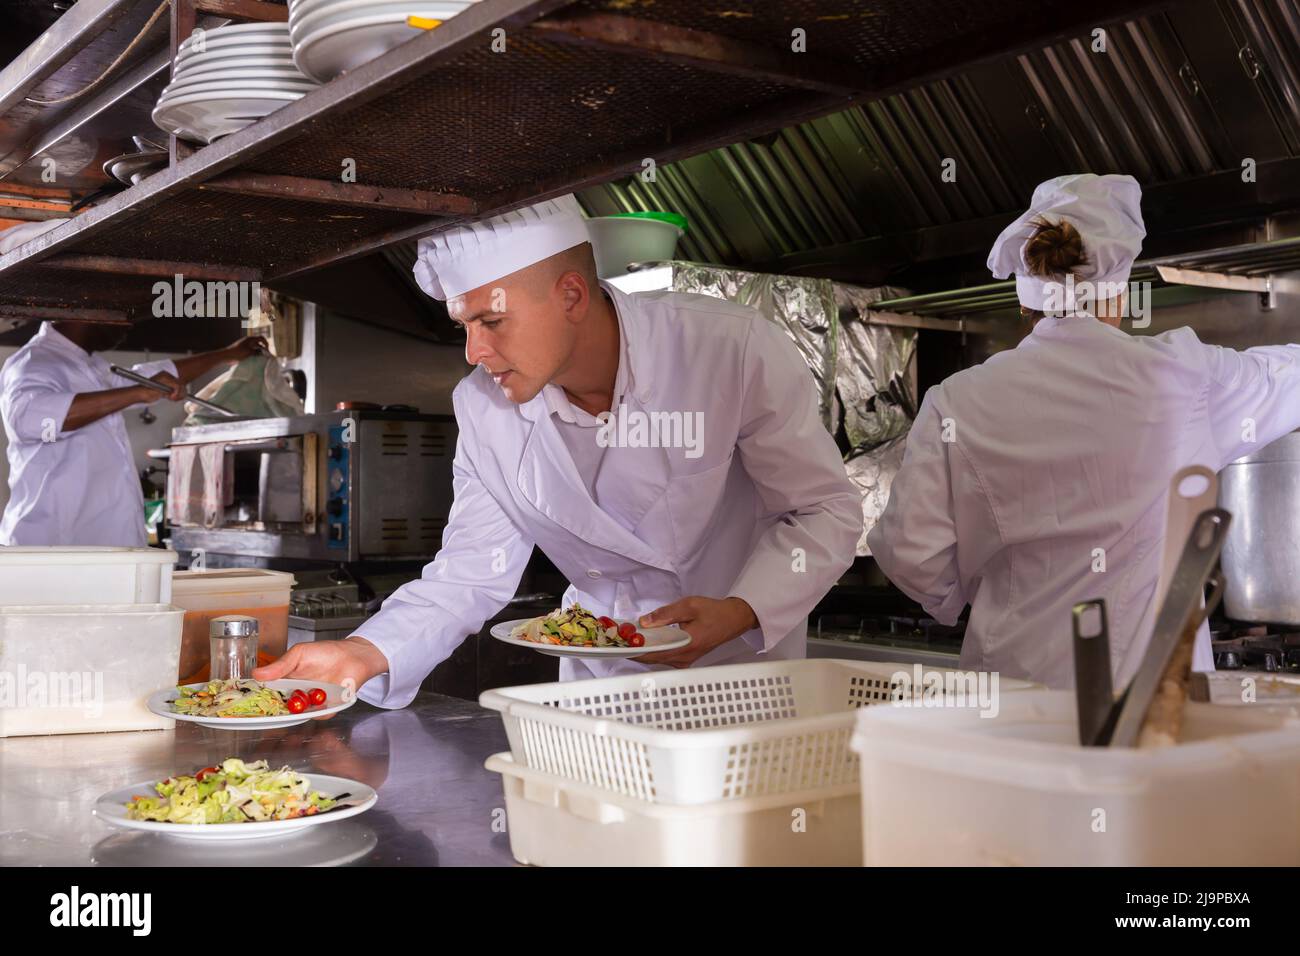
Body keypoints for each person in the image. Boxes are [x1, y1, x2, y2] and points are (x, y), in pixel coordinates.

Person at [258, 195, 862, 707]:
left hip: (742, 683)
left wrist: (741, 609)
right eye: (461, 326)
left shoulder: (728, 349)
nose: (473, 352)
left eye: (491, 323)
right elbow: (471, 572)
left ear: (572, 295)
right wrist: (366, 650)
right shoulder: (482, 406)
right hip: (599, 691)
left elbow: (824, 511)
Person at [867, 173, 1300, 688]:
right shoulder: (1183, 376)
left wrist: (979, 593)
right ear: (1119, 292)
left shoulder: (956, 402)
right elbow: (1287, 377)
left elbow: (907, 553)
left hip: (1015, 691)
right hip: (1152, 697)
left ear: (1025, 301)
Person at [0, 319, 266, 545]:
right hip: (51, 550)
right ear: (87, 309)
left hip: (100, 552)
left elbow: (150, 377)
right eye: (121, 312)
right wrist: (138, 392)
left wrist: (226, 355)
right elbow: (35, 420)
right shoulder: (32, 362)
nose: (128, 324)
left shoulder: (89, 364)